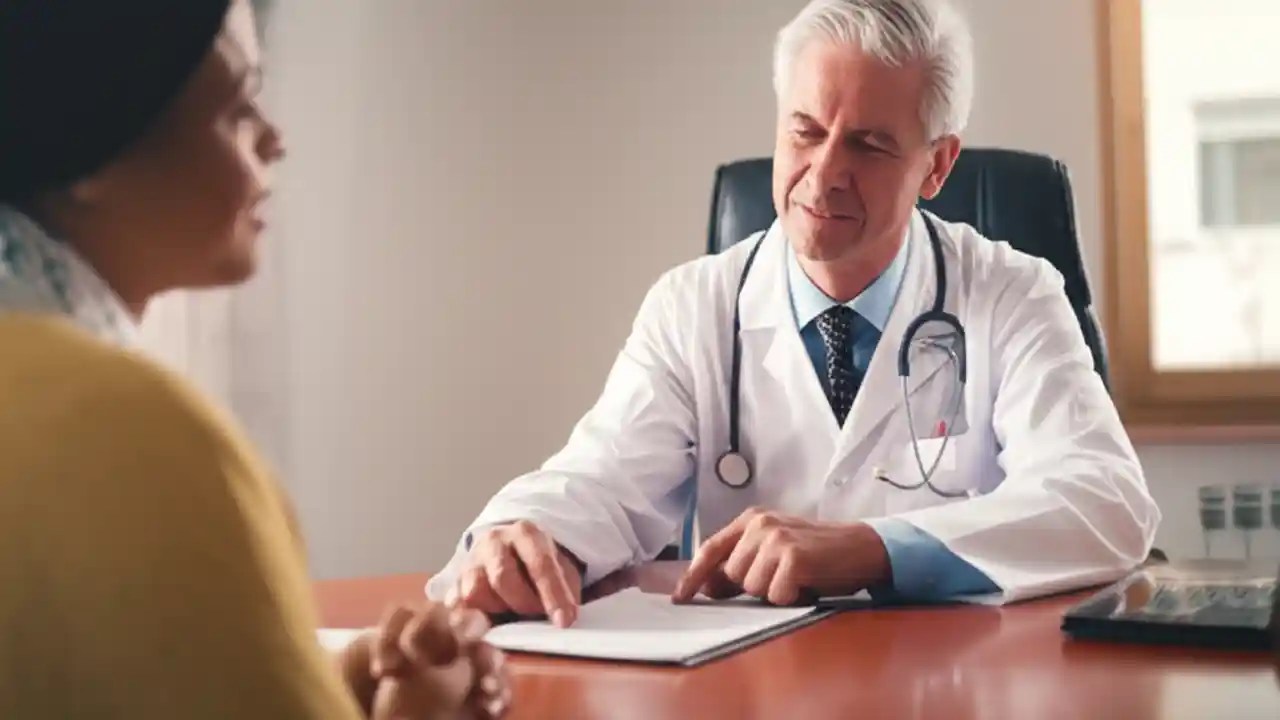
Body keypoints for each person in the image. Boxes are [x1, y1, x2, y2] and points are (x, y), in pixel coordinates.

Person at [429, 0, 1160, 624]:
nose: (825, 173)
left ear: (936, 166)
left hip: (957, 682)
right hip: (754, 686)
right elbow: (599, 481)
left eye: (870, 145)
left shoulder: (1013, 294)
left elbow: (1104, 501)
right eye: (806, 130)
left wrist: (873, 546)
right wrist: (527, 535)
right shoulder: (696, 307)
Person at [0, 1, 507, 718]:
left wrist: (328, 682)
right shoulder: (128, 430)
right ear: (88, 134)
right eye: (238, 106)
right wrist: (423, 711)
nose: (274, 140)